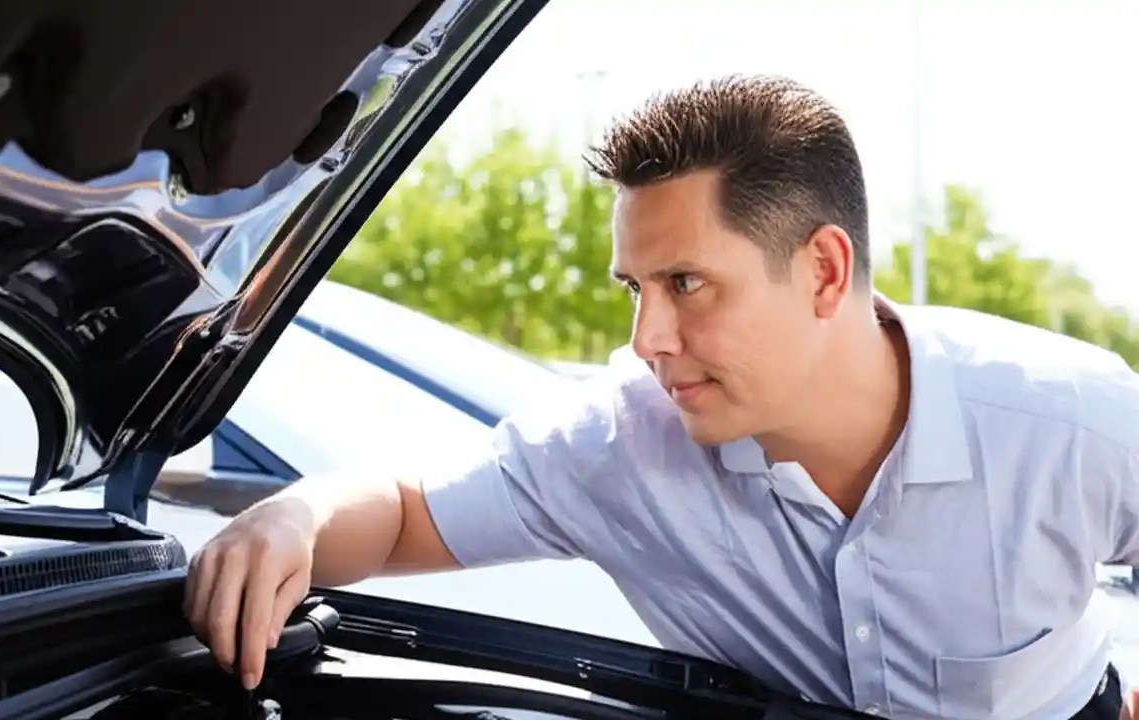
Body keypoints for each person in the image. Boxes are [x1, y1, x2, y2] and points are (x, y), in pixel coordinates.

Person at [183, 74, 1139, 719]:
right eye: (633, 290)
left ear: (822, 271)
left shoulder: (1066, 420)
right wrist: (295, 518)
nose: (647, 341)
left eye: (685, 283)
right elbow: (399, 518)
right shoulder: (620, 446)